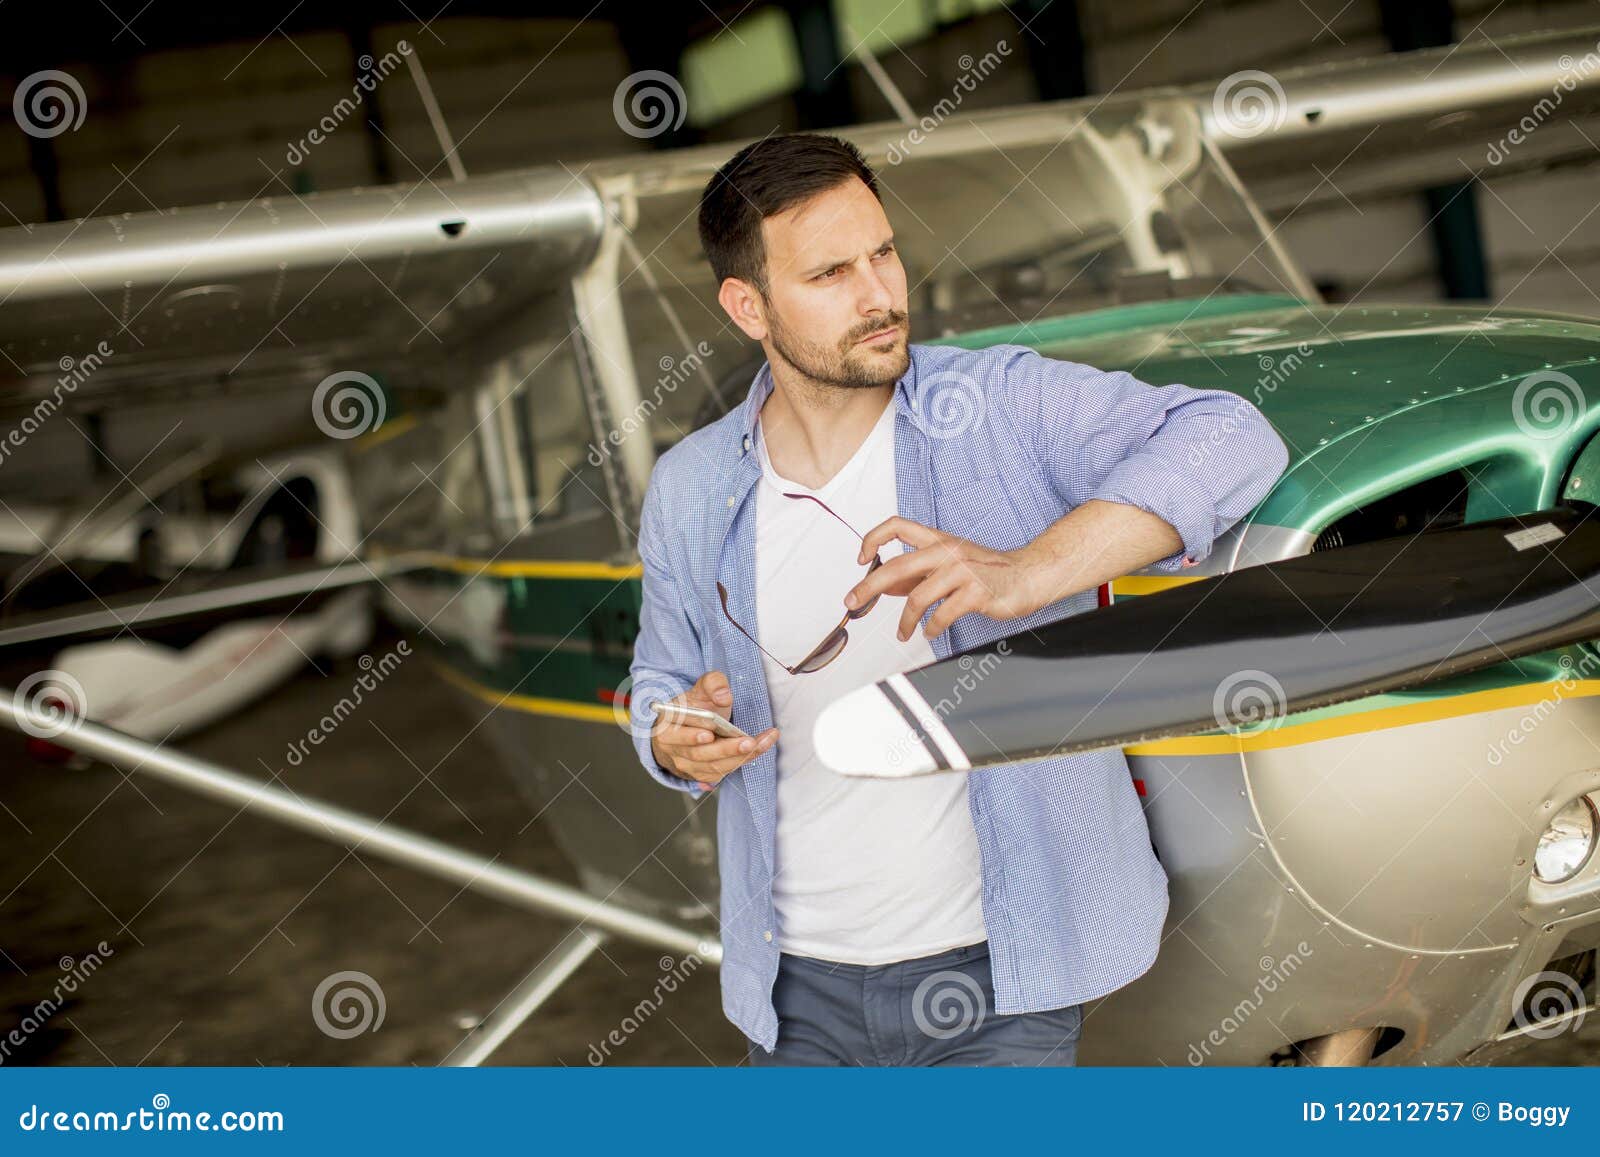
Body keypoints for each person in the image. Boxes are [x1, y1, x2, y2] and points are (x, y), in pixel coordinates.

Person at [627, 132, 1288, 1066]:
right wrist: (668, 734)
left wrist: (1025, 570)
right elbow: (656, 677)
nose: (879, 296)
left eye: (883, 254)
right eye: (829, 275)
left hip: (1003, 981)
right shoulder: (691, 488)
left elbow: (1233, 436)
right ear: (748, 306)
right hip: (795, 991)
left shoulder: (999, 404)